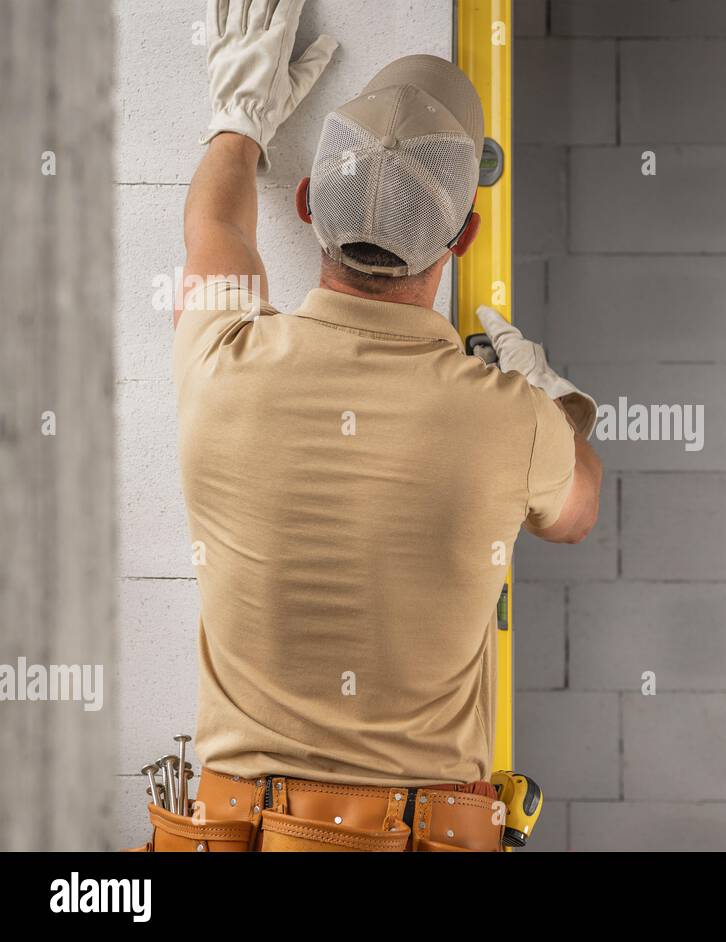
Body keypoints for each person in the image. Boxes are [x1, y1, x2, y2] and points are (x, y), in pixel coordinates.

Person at [162, 0, 601, 852]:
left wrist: (236, 121)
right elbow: (580, 510)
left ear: (305, 203)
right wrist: (552, 401)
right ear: (467, 235)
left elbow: (213, 231)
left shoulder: (218, 361)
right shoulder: (509, 423)